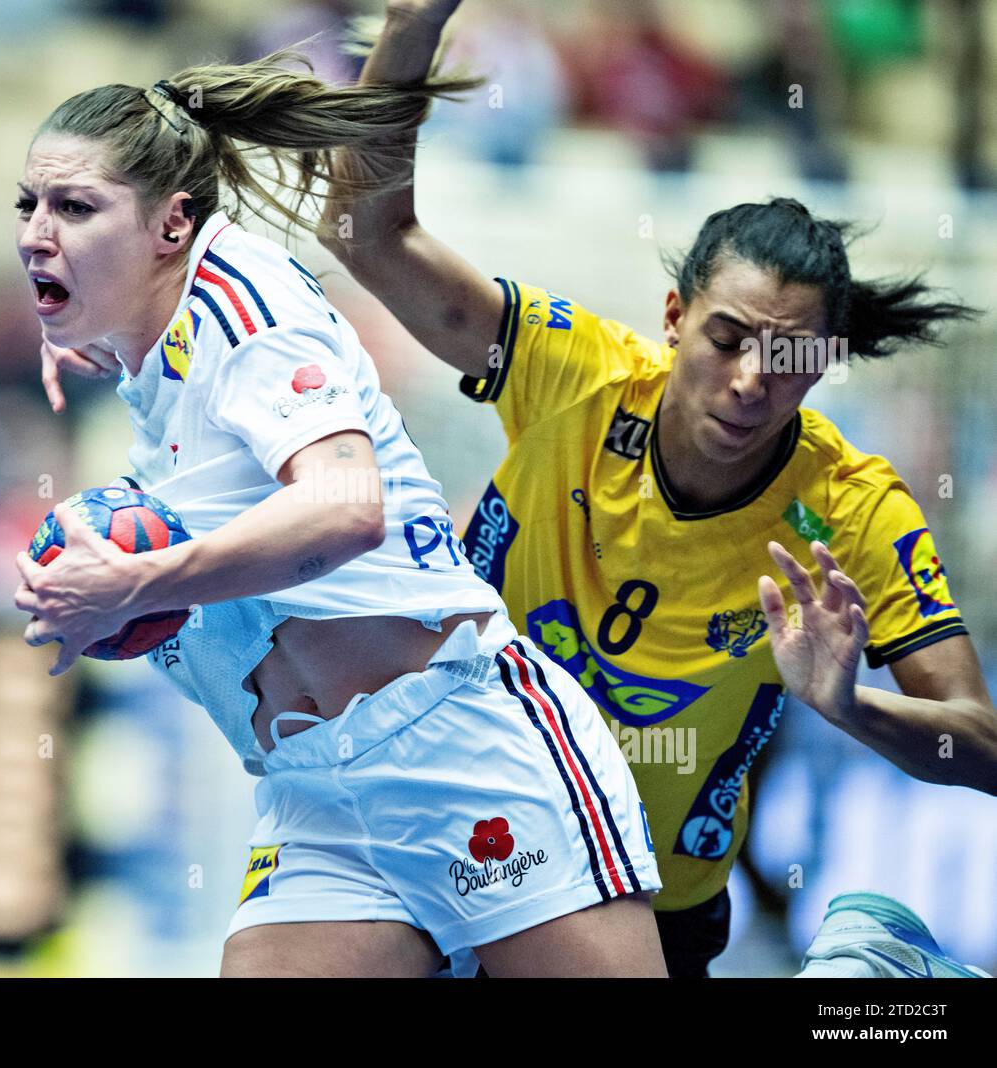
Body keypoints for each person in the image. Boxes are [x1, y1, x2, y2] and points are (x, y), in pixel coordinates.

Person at [322, 0, 997, 977]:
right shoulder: (573, 372)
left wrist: (851, 705)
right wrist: (413, 24)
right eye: (726, 340)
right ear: (675, 318)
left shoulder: (848, 508)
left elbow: (979, 746)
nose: (748, 384)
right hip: (455, 834)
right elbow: (364, 233)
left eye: (788, 357)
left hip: (641, 900)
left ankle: (875, 975)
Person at [11, 52, 666, 977]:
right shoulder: (149, 362)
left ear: (173, 222)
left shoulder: (243, 302)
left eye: (74, 208)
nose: (37, 232)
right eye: (28, 206)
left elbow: (349, 507)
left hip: (461, 747)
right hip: (316, 789)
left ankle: (869, 984)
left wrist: (140, 580)